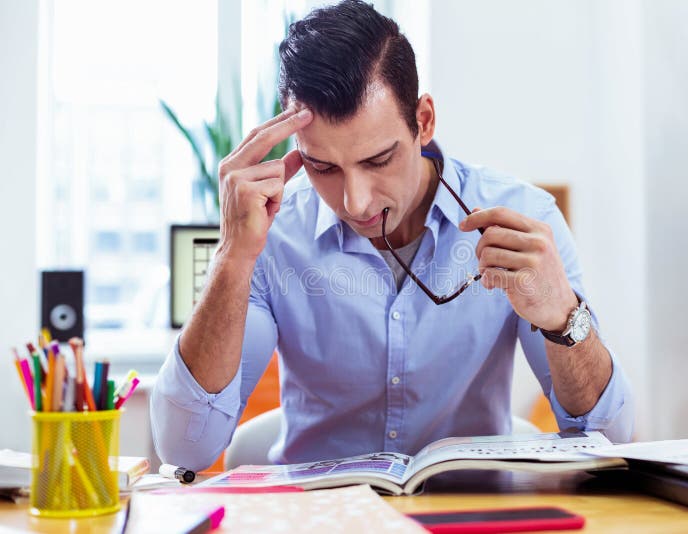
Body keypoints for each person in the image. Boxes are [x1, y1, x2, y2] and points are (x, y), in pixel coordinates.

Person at [151, 0, 633, 471]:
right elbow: (186, 449)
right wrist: (232, 256)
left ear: (423, 121)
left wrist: (563, 318)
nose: (356, 202)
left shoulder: (526, 218)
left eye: (378, 160)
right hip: (318, 520)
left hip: (469, 517)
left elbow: (610, 442)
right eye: (322, 167)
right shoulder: (273, 235)